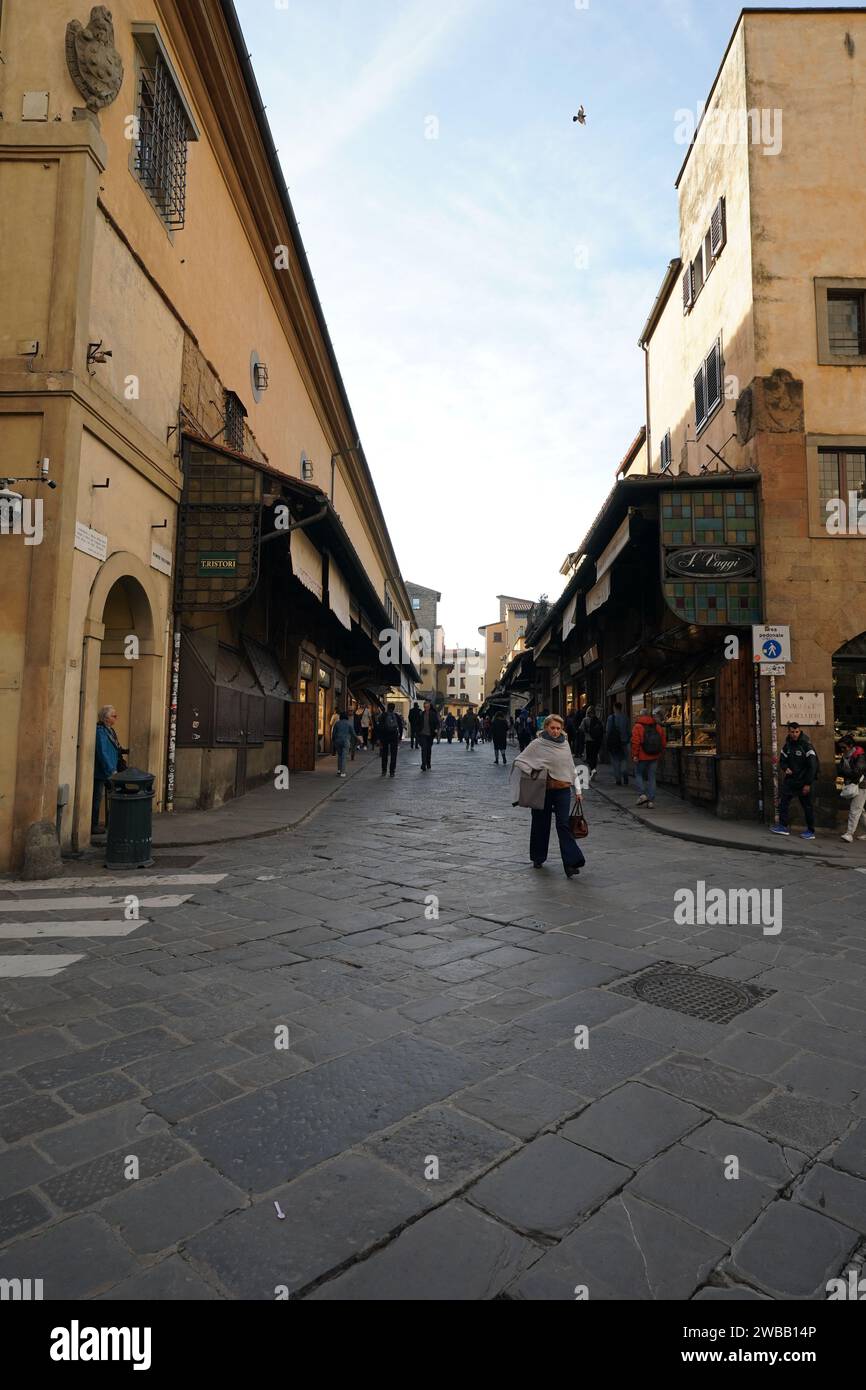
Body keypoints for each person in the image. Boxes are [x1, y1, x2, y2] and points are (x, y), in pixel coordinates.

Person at [513, 713, 585, 879]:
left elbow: (572, 767)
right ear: (546, 727)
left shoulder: (565, 744)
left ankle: (571, 863)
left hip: (562, 789)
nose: (555, 731)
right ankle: (538, 858)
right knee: (540, 823)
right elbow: (519, 760)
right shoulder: (537, 744)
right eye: (552, 728)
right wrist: (534, 771)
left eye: (558, 728)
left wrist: (578, 791)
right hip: (542, 789)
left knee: (563, 824)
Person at [772, 720, 818, 839]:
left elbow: (813, 766)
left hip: (803, 781)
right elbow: (782, 760)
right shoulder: (787, 745)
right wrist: (785, 768)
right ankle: (783, 826)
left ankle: (811, 831)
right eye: (792, 732)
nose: (794, 734)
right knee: (784, 802)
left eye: (797, 731)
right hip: (791, 780)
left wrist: (808, 783)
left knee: (807, 806)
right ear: (788, 732)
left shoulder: (806, 745)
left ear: (800, 731)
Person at [92, 704, 126, 835]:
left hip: (111, 769)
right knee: (97, 798)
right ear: (106, 718)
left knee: (109, 795)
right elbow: (102, 752)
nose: (116, 718)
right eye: (114, 716)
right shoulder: (100, 731)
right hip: (103, 771)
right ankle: (94, 824)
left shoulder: (110, 730)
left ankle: (111, 821)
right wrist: (111, 770)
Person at [631, 708, 666, 809]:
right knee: (652, 777)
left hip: (641, 756)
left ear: (641, 716)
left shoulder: (637, 727)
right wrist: (661, 753)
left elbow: (635, 742)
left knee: (638, 774)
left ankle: (642, 795)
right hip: (654, 756)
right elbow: (663, 742)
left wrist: (635, 755)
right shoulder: (657, 726)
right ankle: (651, 801)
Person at [838, 734, 866, 844]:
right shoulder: (846, 755)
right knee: (860, 810)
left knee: (855, 810)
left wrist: (845, 772)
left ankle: (849, 834)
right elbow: (841, 769)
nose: (842, 749)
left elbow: (857, 771)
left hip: (862, 785)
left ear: (851, 746)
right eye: (841, 747)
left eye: (844, 747)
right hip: (854, 784)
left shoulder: (860, 755)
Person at [606, 701, 631, 786]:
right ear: (621, 708)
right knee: (624, 760)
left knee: (616, 761)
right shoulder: (625, 718)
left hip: (615, 744)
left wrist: (608, 741)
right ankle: (625, 774)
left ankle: (618, 779)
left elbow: (608, 731)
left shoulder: (610, 718)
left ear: (614, 708)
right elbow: (629, 731)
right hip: (624, 742)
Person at [376, 702, 404, 776]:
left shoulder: (383, 715)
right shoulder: (396, 716)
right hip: (394, 737)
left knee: (384, 754)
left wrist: (379, 738)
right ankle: (392, 771)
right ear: (394, 708)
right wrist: (400, 737)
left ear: (387, 708)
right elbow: (400, 726)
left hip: (385, 737)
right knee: (393, 754)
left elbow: (379, 727)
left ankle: (384, 770)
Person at [580, 706, 604, 781]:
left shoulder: (585, 720)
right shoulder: (598, 720)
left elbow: (581, 728)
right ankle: (594, 769)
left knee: (589, 757)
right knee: (594, 756)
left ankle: (592, 770)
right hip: (597, 741)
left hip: (589, 741)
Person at [332, 711, 356, 777]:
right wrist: (357, 739)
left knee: (339, 756)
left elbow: (333, 734)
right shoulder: (349, 724)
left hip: (338, 741)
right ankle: (343, 772)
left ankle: (339, 770)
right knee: (344, 757)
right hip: (345, 741)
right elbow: (353, 733)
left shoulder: (337, 723)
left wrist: (333, 741)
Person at [419, 699, 440, 771]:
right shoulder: (421, 714)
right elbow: (418, 724)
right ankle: (423, 764)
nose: (426, 708)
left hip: (430, 734)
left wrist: (436, 729)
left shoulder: (433, 714)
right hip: (423, 734)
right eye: (425, 707)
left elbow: (437, 723)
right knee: (424, 749)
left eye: (427, 707)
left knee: (428, 750)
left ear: (429, 707)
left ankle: (428, 763)